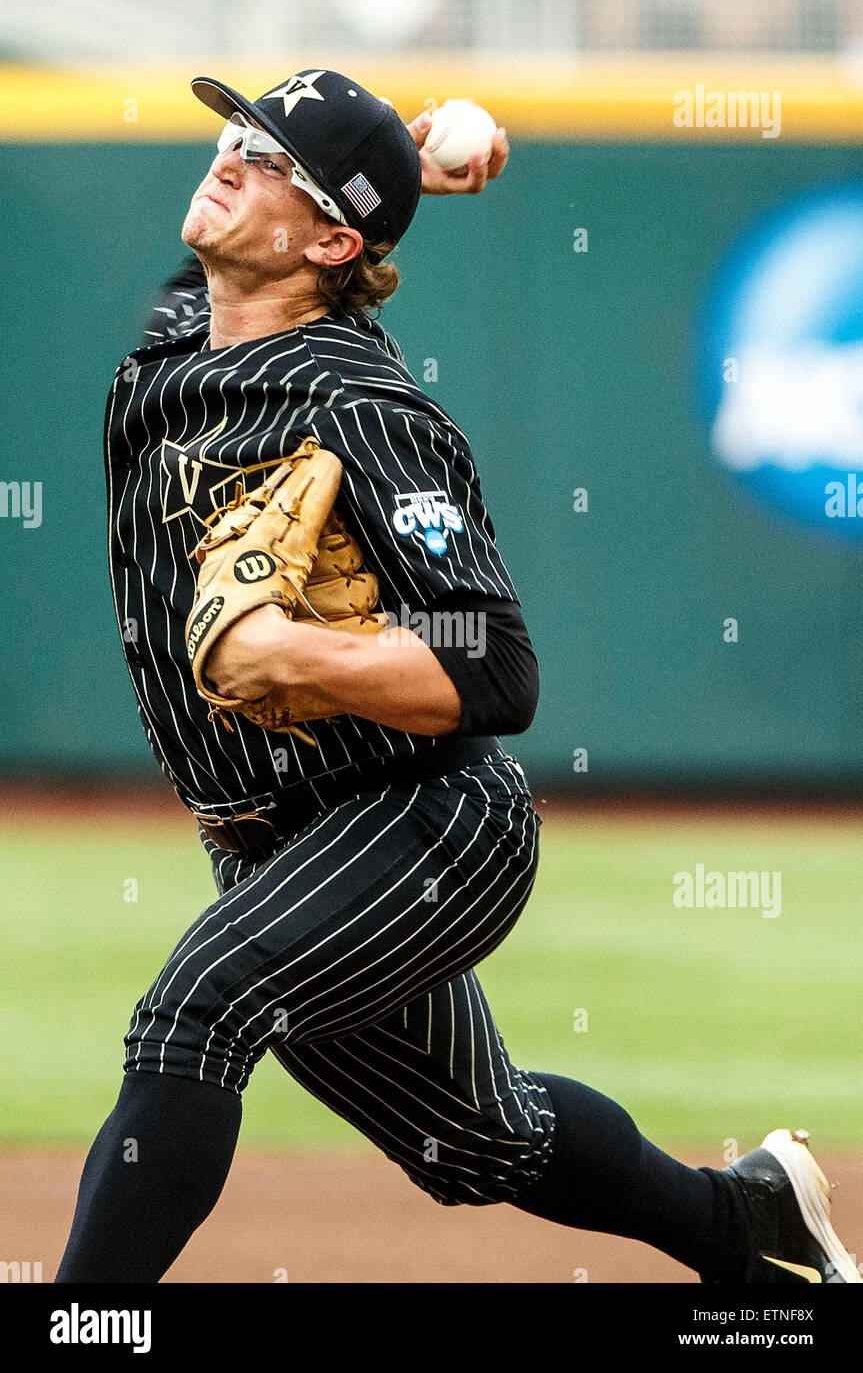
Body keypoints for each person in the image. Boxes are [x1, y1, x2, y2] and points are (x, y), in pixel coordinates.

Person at [56, 68, 859, 1285]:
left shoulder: (361, 404)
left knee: (199, 1005)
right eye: (235, 135)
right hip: (273, 843)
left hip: (428, 822)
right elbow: (236, 263)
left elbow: (498, 666)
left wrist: (297, 653)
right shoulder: (180, 349)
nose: (229, 159)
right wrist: (404, 164)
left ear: (324, 237)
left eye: (268, 159)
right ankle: (747, 1229)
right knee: (481, 1140)